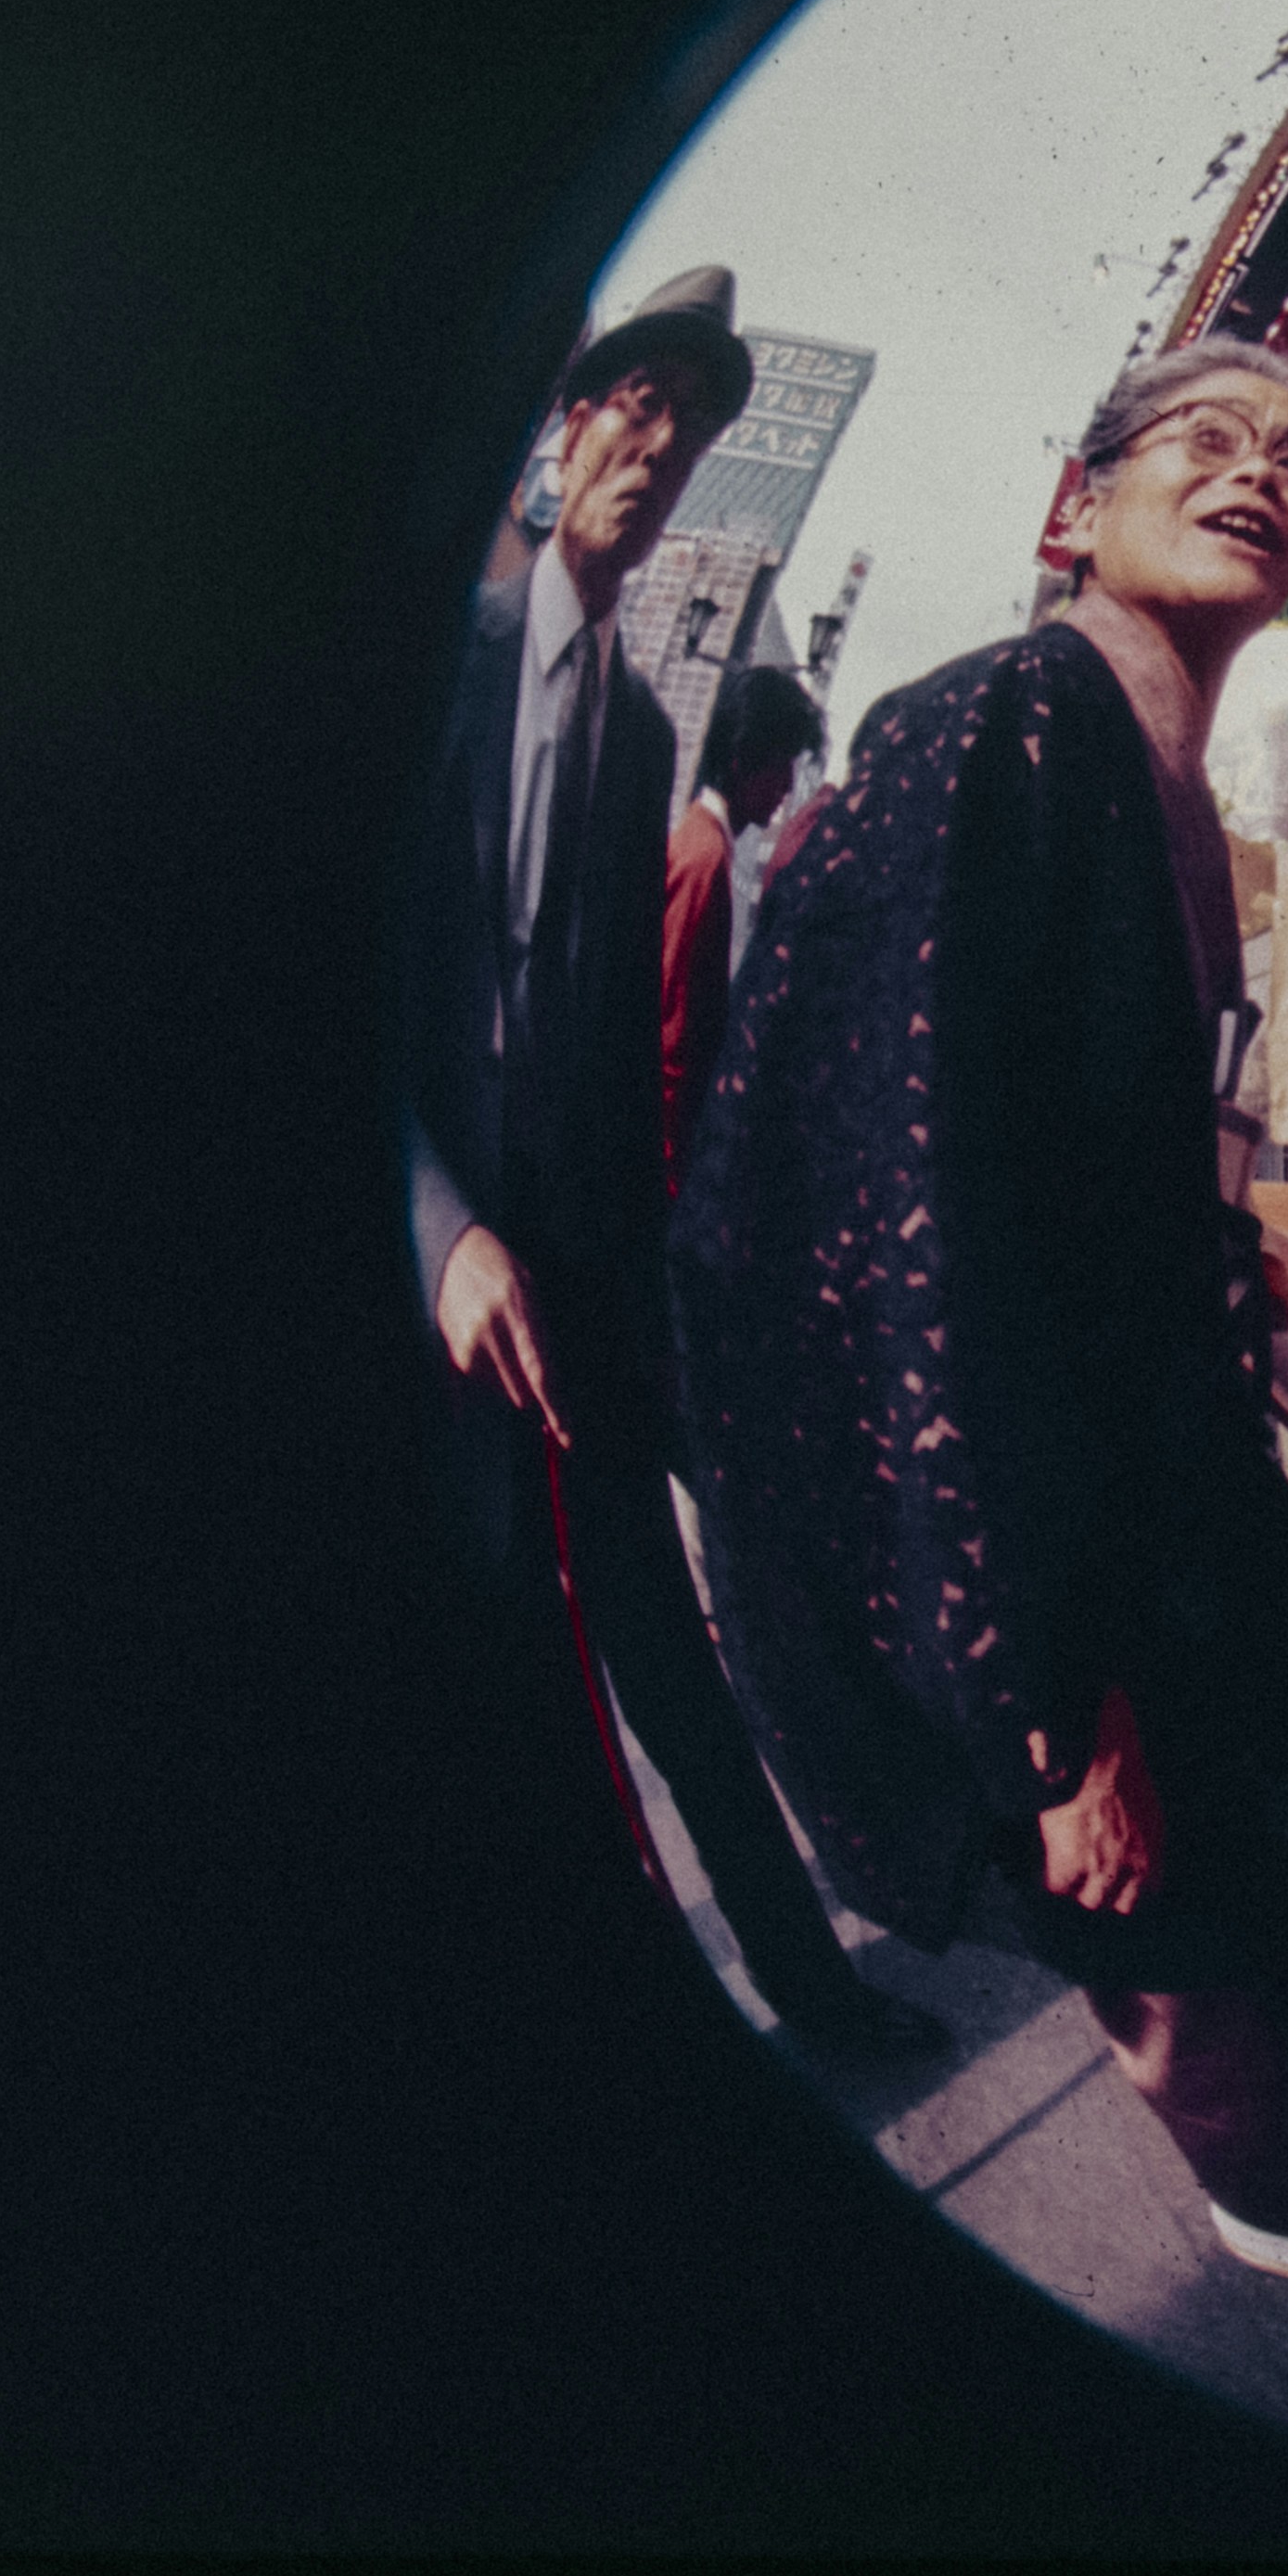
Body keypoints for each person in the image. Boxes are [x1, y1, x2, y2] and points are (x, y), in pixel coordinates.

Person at [670, 338, 1288, 2298]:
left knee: (1249, 1824)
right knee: (1143, 1893)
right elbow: (907, 1207)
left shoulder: (1155, 768)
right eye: (1202, 440)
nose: (1262, 472)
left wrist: (1209, 1258)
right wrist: (1027, 1692)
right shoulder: (1003, 721)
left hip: (1128, 1467)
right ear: (1072, 507)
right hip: (1011, 1504)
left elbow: (1083, 1137)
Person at [398, 264, 950, 2065]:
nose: (651, 445)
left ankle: (803, 1991)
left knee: (674, 1678)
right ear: (565, 430)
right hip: (446, 1300)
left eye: (685, 427)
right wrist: (444, 1228)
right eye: (625, 407)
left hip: (595, 1307)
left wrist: (650, 1267)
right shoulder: (443, 670)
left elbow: (597, 1049)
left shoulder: (637, 727)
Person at [662, 664, 824, 1192]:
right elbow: (672, 1040)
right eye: (779, 765)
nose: (785, 788)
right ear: (741, 759)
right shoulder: (704, 858)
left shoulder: (707, 846)